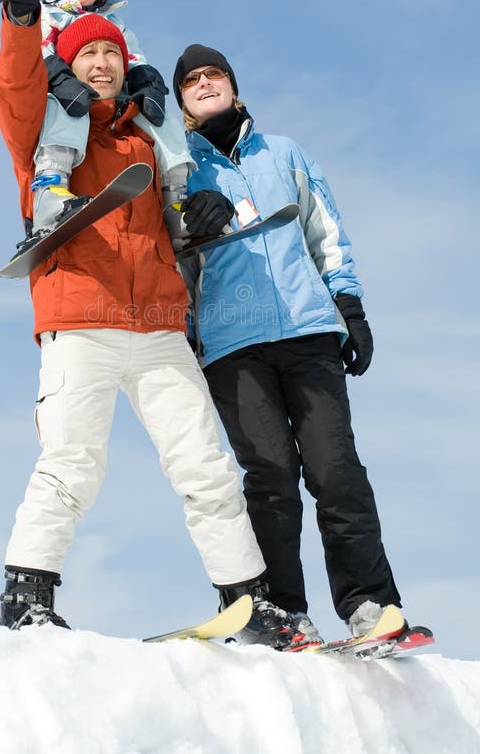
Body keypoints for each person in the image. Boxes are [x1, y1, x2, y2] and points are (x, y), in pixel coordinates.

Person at [0, 0, 298, 650]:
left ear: (123, 63)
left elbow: (184, 206)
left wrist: (204, 209)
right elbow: (12, 85)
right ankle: (27, 596)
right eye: (86, 54)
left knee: (205, 465)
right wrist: (16, 13)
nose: (99, 63)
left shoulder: (149, 143)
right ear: (69, 62)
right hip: (81, 320)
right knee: (71, 462)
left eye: (110, 55)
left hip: (158, 327)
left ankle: (246, 599)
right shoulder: (43, 134)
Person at [173, 43, 404, 641]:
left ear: (233, 85)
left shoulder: (284, 154)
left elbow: (325, 231)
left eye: (213, 74)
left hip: (307, 331)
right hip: (231, 346)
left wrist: (348, 305)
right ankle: (281, 611)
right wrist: (182, 227)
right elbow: (169, 264)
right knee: (270, 478)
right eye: (191, 80)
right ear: (179, 100)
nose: (203, 82)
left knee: (336, 470)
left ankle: (369, 605)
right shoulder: (178, 166)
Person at [3, 0, 193, 254]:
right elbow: (37, 53)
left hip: (115, 111)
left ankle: (176, 202)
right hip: (67, 101)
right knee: (65, 111)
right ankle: (50, 191)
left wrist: (147, 81)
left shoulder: (115, 23)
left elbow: (133, 58)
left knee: (166, 125)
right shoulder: (48, 13)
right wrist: (58, 75)